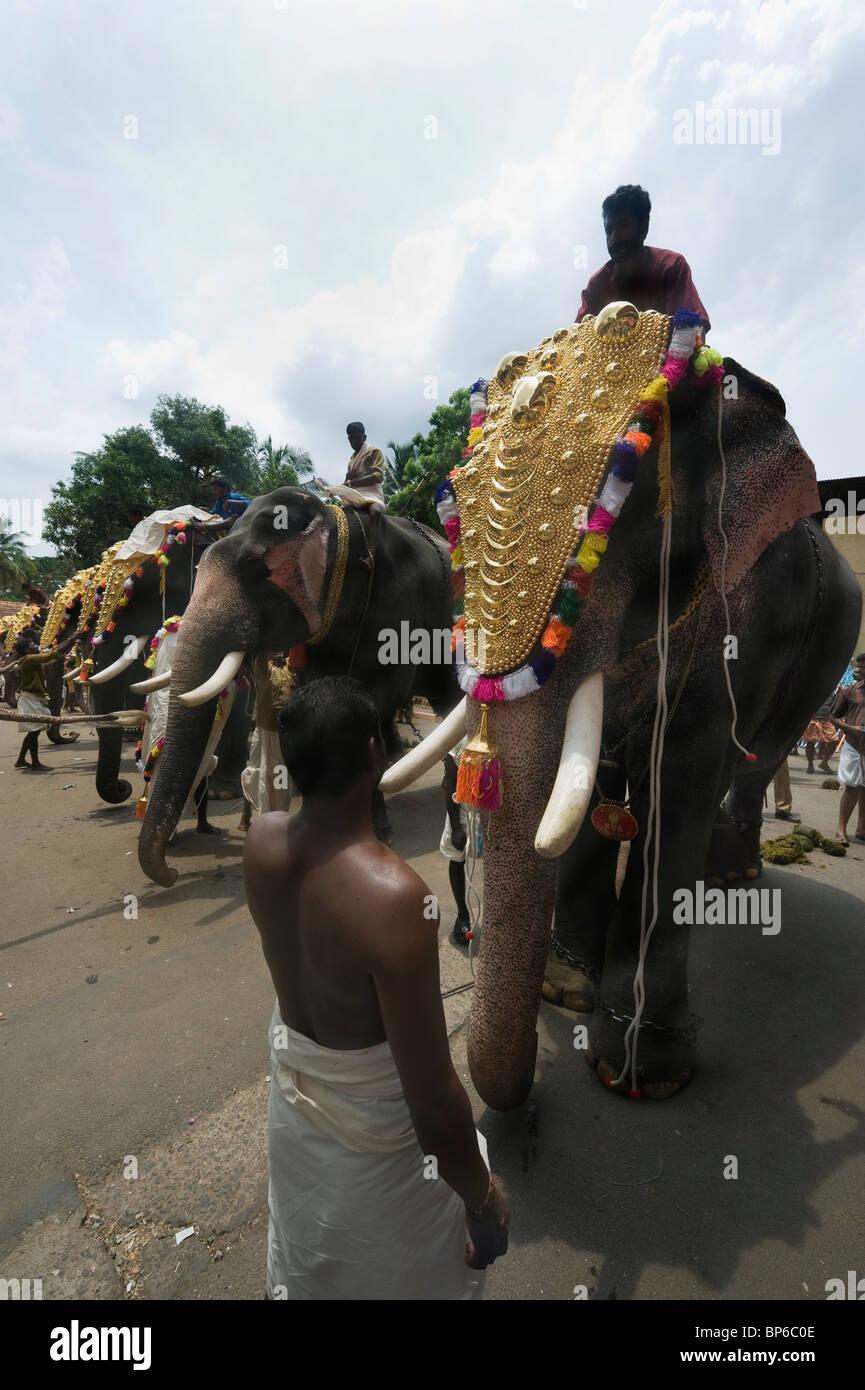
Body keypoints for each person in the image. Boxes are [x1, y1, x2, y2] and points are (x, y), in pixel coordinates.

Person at [243, 676, 508, 1299]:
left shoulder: (260, 842)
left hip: (299, 1125)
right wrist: (482, 1201)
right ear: (373, 753)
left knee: (316, 1262)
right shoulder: (395, 899)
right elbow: (436, 1112)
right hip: (382, 1166)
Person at [576, 184, 710, 331]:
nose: (614, 237)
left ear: (644, 227)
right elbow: (576, 338)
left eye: (623, 226)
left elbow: (692, 329)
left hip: (671, 353)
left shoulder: (671, 266)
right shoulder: (598, 284)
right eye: (609, 230)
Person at [0, 631, 77, 769]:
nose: (36, 645)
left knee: (33, 731)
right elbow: (50, 655)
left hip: (33, 698)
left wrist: (68, 645)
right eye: (33, 644)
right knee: (34, 732)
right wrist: (71, 638)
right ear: (27, 649)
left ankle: (21, 760)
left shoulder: (31, 659)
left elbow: (51, 656)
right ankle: (35, 763)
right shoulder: (29, 659)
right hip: (31, 699)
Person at [830, 655, 865, 846]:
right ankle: (841, 829)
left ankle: (861, 829)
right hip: (852, 744)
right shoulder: (849, 691)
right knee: (851, 787)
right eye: (858, 667)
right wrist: (851, 729)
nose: (858, 671)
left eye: (863, 668)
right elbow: (833, 718)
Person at [315, 423, 386, 513]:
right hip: (354, 495)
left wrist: (349, 482)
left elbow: (378, 477)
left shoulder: (373, 452)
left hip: (372, 494)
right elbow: (348, 483)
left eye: (357, 437)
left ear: (364, 437)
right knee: (338, 516)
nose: (354, 441)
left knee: (376, 511)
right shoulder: (352, 460)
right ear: (348, 439)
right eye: (351, 438)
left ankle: (377, 527)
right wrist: (335, 489)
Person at [802, 690, 841, 774]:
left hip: (826, 719)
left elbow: (834, 707)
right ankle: (810, 765)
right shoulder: (813, 691)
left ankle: (824, 762)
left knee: (834, 741)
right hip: (813, 718)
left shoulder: (833, 693)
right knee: (810, 742)